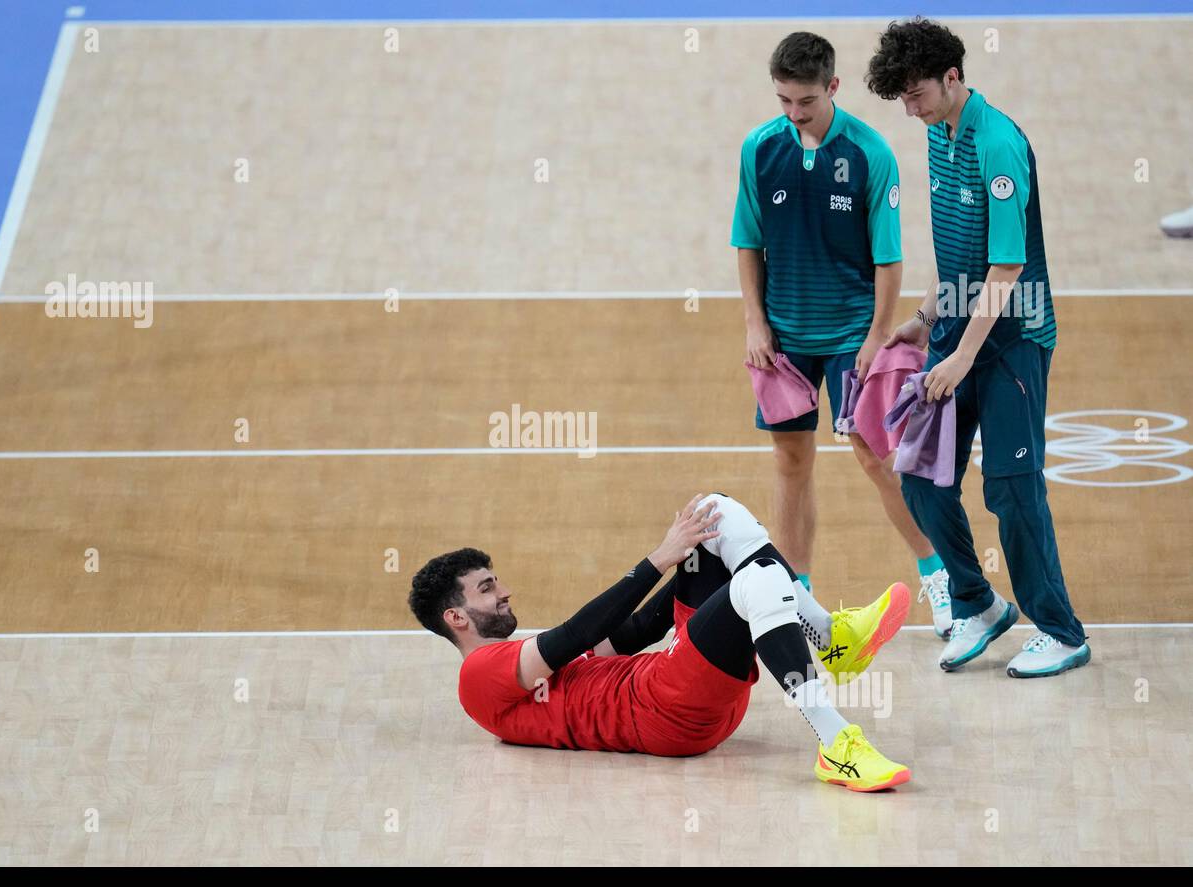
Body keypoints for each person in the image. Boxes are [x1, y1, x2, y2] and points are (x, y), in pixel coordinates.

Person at [408, 492, 912, 791]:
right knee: (758, 581)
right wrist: (658, 559)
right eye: (487, 588)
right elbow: (578, 633)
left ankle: (831, 639)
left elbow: (636, 631)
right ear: (456, 617)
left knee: (712, 516)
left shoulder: (524, 670)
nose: (504, 592)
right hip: (665, 712)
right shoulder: (479, 676)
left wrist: (697, 555)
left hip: (677, 685)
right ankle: (836, 745)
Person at [866, 17, 1090, 677]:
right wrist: (925, 317)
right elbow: (960, 256)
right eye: (902, 98)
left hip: (1012, 338)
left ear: (953, 77)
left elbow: (1006, 268)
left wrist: (961, 356)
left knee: (1012, 489)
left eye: (917, 94)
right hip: (957, 329)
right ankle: (978, 604)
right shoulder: (940, 134)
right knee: (920, 475)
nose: (911, 109)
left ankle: (1060, 629)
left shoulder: (997, 145)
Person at [732, 31, 953, 636]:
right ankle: (796, 598)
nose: (794, 113)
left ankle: (942, 575)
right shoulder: (759, 149)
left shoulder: (869, 154)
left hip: (854, 333)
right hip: (784, 339)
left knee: (878, 458)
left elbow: (889, 260)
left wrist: (878, 335)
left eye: (804, 100)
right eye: (783, 100)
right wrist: (755, 321)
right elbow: (748, 243)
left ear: (832, 87)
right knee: (791, 460)